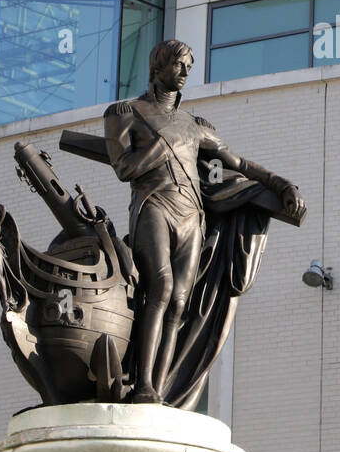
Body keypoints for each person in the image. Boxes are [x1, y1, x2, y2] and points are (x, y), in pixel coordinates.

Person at [103, 39, 304, 403]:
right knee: (160, 286)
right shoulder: (125, 111)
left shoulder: (195, 125)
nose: (184, 73)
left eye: (189, 68)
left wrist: (280, 183)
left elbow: (238, 164)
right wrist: (170, 141)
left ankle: (158, 389)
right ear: (158, 66)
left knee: (180, 300)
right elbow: (124, 168)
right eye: (179, 65)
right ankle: (143, 383)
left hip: (191, 213)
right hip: (154, 204)